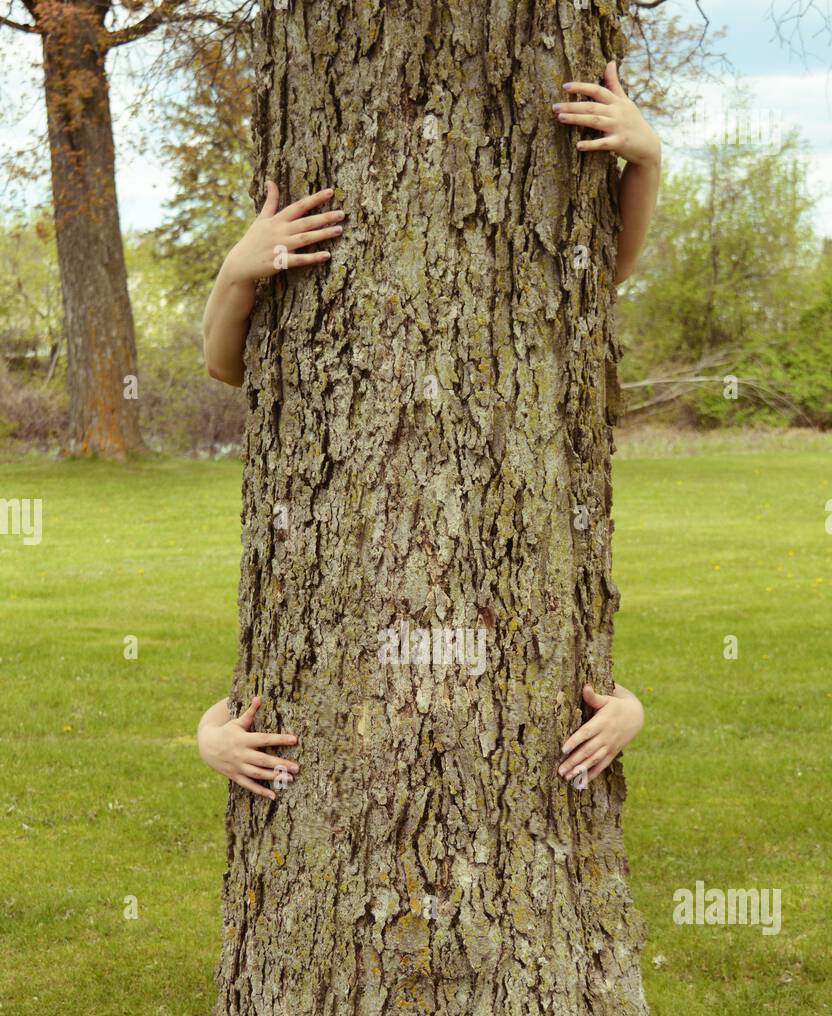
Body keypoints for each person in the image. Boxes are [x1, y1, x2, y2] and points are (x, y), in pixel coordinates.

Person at [197, 58, 658, 797]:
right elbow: (229, 364)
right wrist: (237, 272)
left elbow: (598, 275)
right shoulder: (326, 413)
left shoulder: (528, 374)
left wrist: (647, 160)